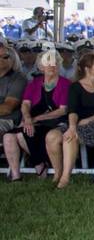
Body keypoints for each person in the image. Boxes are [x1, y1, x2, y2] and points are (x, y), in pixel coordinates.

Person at [3, 49, 70, 181]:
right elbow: (25, 105)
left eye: (55, 63)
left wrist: (35, 119)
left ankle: (40, 164)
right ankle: (16, 176)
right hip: (33, 122)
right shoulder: (34, 83)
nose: (52, 66)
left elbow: (62, 110)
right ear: (41, 67)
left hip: (54, 122)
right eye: (48, 63)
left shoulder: (65, 84)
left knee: (22, 134)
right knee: (8, 137)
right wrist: (28, 119)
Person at [58, 51, 94, 188]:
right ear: (87, 69)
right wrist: (72, 126)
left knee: (72, 136)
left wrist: (89, 120)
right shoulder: (75, 87)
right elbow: (72, 111)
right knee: (68, 134)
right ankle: (63, 176)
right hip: (78, 123)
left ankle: (65, 178)